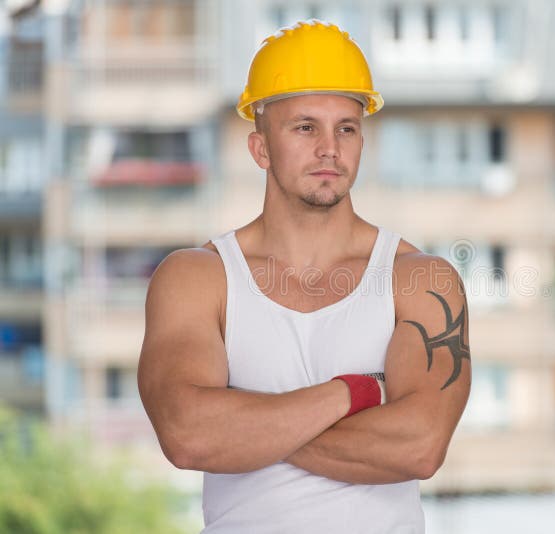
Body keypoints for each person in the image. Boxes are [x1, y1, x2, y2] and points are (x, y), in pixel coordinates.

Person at [137, 19, 471, 533]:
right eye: (305, 127)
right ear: (261, 148)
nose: (329, 148)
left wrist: (244, 429)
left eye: (346, 128)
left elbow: (420, 448)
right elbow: (188, 437)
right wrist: (355, 394)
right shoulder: (197, 278)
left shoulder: (422, 280)